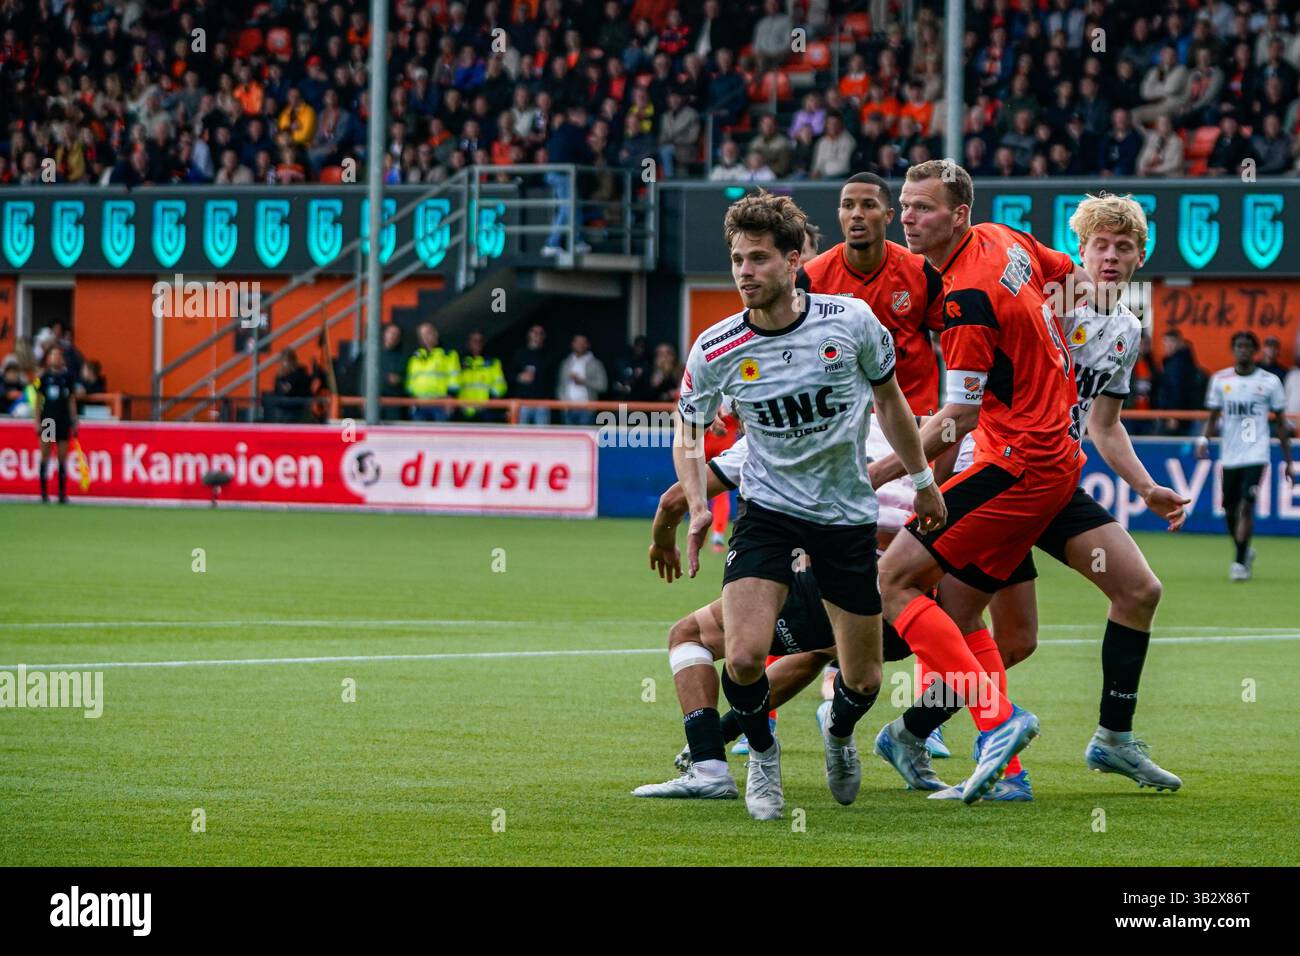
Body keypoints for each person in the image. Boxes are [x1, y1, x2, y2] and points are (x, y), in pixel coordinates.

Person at [872, 192, 1189, 799]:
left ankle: (1112, 739)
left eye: (1125, 247)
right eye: (1101, 245)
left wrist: (1146, 487)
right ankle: (864, 683)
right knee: (962, 623)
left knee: (1133, 593)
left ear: (1140, 257)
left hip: (1054, 477)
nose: (1112, 256)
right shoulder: (1048, 301)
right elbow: (972, 379)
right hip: (1001, 469)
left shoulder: (1126, 328)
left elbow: (1104, 424)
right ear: (1081, 251)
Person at [669, 192, 943, 819]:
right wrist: (697, 503)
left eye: (759, 258)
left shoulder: (849, 323)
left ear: (793, 261)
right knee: (741, 655)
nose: (744, 272)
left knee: (865, 680)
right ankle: (763, 755)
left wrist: (925, 480)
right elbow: (688, 430)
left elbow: (893, 404)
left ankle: (839, 732)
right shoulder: (715, 348)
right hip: (766, 513)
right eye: (737, 259)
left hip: (845, 516)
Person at [874, 160, 1082, 804]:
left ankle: (997, 721)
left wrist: (874, 474)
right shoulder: (1007, 236)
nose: (906, 217)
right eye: (904, 205)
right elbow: (1068, 276)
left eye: (923, 208)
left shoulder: (965, 298)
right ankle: (993, 770)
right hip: (1046, 459)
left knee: (895, 577)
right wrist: (1053, 355)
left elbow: (954, 420)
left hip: (1018, 465)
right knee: (965, 614)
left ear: (958, 214)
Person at [797, 173, 945, 416]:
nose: (856, 213)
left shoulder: (921, 272)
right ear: (839, 215)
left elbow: (951, 339)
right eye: (848, 206)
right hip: (843, 417)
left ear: (888, 216)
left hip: (914, 414)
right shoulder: (810, 279)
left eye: (868, 205)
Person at [1198, 331, 1293, 582]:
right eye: (1239, 346)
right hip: (1230, 455)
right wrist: (1203, 440)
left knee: (1247, 506)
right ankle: (1244, 550)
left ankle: (1239, 563)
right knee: (1229, 509)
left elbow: (1282, 423)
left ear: (1255, 351)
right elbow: (1213, 417)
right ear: (1233, 349)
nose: (1243, 350)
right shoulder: (1220, 380)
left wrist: (1289, 461)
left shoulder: (1270, 382)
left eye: (1248, 346)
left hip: (1257, 453)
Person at [33, 346, 78, 504]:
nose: (56, 358)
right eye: (53, 355)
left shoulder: (68, 377)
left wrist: (74, 421)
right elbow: (38, 402)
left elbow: (72, 400)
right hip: (48, 421)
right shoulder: (43, 378)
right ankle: (44, 493)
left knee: (62, 457)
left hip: (63, 420)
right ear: (48, 358)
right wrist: (37, 421)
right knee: (45, 454)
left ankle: (61, 493)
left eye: (58, 355)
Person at [406, 322, 461, 422]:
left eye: (428, 333)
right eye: (422, 335)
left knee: (441, 435)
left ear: (436, 334)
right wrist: (412, 399)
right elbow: (411, 381)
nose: (426, 337)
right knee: (419, 435)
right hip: (419, 404)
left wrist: (450, 399)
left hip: (440, 403)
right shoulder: (415, 357)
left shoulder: (448, 354)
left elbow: (454, 380)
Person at [556, 334, 607, 426]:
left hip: (587, 409)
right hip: (568, 409)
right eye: (577, 342)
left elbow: (603, 386)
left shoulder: (596, 364)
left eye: (583, 342)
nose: (580, 345)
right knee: (568, 439)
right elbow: (560, 385)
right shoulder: (566, 363)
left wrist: (584, 382)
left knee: (584, 437)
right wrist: (563, 404)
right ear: (572, 344)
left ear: (588, 345)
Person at [458, 331, 507, 421]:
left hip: (486, 410)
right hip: (464, 410)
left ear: (484, 343)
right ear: (468, 343)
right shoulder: (460, 362)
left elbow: (500, 386)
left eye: (480, 341)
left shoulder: (493, 362)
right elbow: (454, 384)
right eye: (474, 341)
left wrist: (490, 401)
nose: (477, 343)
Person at [512, 324, 552, 425]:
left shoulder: (548, 354)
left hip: (542, 402)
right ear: (529, 334)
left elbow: (553, 379)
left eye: (540, 333)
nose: (537, 335)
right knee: (520, 435)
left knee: (542, 435)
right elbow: (510, 374)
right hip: (523, 402)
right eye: (534, 332)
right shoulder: (519, 354)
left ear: (544, 336)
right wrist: (519, 377)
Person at [379, 323, 408, 421]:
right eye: (391, 333)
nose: (393, 336)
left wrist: (400, 380)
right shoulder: (373, 353)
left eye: (396, 334)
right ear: (384, 334)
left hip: (394, 401)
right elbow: (363, 378)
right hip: (374, 400)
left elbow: (410, 378)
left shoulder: (404, 357)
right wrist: (363, 397)